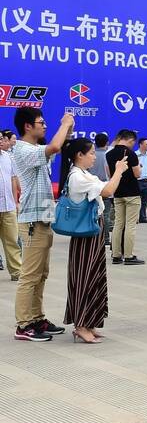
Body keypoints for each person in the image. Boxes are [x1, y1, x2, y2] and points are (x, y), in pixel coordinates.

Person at [12, 107, 75, 341]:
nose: (45, 125)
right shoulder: (22, 149)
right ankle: (23, 325)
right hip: (31, 221)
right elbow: (56, 146)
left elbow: (60, 143)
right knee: (29, 275)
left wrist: (69, 125)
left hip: (43, 219)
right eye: (41, 122)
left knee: (41, 274)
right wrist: (65, 123)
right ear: (28, 126)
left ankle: (37, 319)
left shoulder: (37, 149)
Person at [58, 138, 129, 343]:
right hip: (85, 232)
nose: (93, 157)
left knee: (95, 275)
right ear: (79, 155)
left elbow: (104, 188)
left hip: (93, 230)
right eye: (90, 153)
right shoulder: (77, 177)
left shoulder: (84, 174)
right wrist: (118, 171)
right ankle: (81, 324)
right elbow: (108, 191)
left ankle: (89, 322)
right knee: (84, 277)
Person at [104, 129, 144, 266]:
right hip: (132, 193)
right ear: (131, 140)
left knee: (118, 224)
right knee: (130, 225)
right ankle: (128, 255)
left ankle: (116, 255)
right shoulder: (132, 154)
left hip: (118, 192)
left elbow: (109, 174)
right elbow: (137, 174)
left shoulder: (109, 154)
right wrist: (140, 167)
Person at [0, 129, 20, 281]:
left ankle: (16, 271)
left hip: (8, 207)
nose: (1, 141)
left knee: (12, 240)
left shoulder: (8, 157)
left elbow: (13, 179)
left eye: (2, 138)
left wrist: (15, 201)